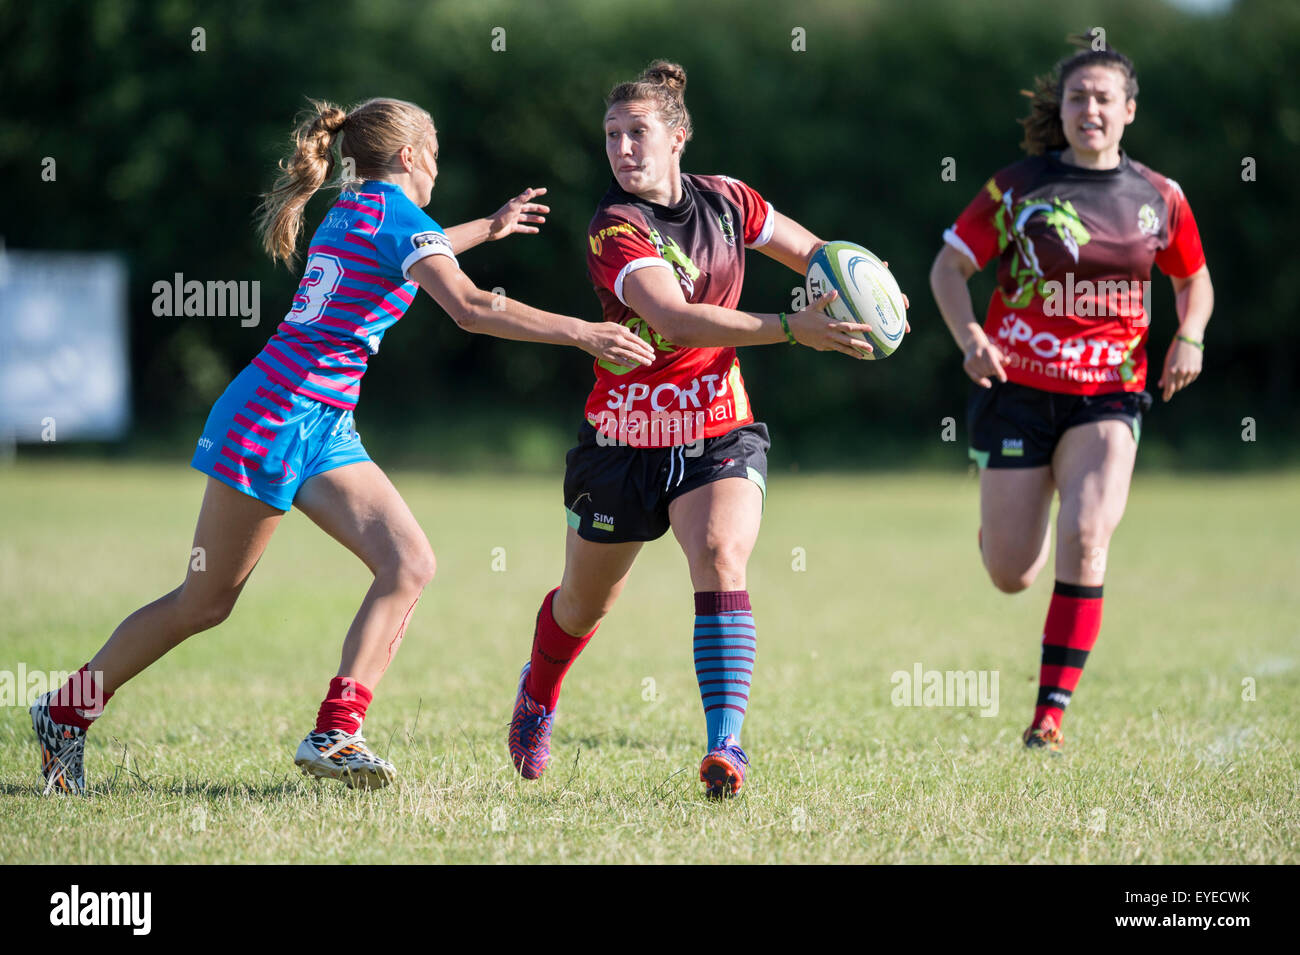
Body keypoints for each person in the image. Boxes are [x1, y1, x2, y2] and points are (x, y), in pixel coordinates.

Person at [31, 96, 655, 794]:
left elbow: (416, 246)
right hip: (274, 417)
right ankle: (63, 711)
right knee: (204, 602)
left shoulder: (352, 212)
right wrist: (584, 332)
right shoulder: (398, 220)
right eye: (438, 154)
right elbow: (471, 307)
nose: (439, 166)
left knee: (409, 561)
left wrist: (489, 225)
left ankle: (336, 728)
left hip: (319, 422)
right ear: (413, 157)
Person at [506, 61, 907, 798]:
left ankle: (726, 747)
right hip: (623, 441)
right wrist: (794, 327)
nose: (623, 148)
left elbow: (815, 253)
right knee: (582, 604)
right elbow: (673, 318)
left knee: (722, 554)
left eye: (638, 132)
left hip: (719, 428)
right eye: (611, 136)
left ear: (678, 137)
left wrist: (871, 284)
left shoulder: (728, 202)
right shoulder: (613, 226)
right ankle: (539, 695)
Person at [929, 40, 1212, 751]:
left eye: (1104, 98)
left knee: (1087, 538)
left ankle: (1048, 716)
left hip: (1109, 396)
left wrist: (1192, 335)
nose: (1090, 109)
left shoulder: (1159, 197)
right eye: (1077, 97)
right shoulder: (1017, 188)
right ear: (1061, 107)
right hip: (1017, 390)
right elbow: (947, 269)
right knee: (1011, 573)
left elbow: (1192, 279)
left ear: (1129, 111)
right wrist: (970, 338)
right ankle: (1004, 522)